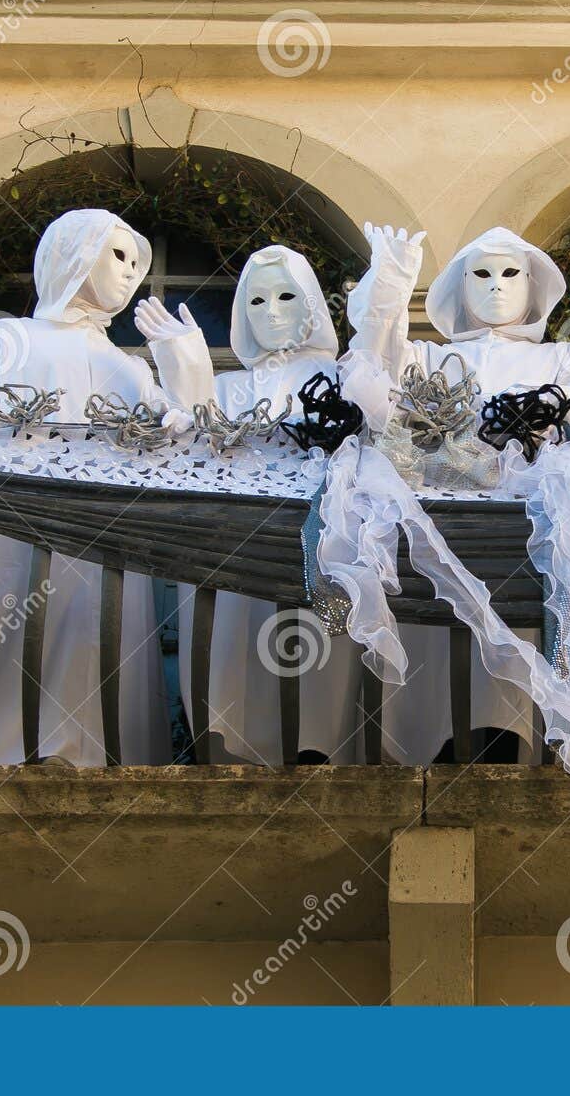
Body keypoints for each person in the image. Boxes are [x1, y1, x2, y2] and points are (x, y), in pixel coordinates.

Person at [0, 209, 182, 766]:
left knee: (88, 640)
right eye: (115, 254)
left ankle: (84, 753)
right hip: (4, 533)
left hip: (99, 545)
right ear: (73, 252)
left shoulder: (131, 369)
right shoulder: (4, 340)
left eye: (134, 262)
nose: (129, 272)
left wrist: (178, 400)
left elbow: (173, 437)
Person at [345, 223, 570, 762]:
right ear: (458, 288)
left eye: (511, 273)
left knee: (519, 646)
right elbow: (374, 376)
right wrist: (389, 286)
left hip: (529, 538)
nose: (496, 286)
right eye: (480, 275)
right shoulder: (431, 357)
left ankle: (529, 736)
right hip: (444, 530)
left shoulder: (560, 360)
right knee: (447, 652)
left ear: (535, 285)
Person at [133, 245, 366, 763]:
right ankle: (232, 746)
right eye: (257, 301)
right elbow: (201, 440)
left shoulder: (343, 379)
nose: (274, 312)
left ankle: (323, 748)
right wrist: (186, 365)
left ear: (312, 306)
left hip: (324, 544)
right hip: (237, 548)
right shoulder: (229, 386)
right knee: (239, 649)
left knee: (323, 656)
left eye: (287, 296)